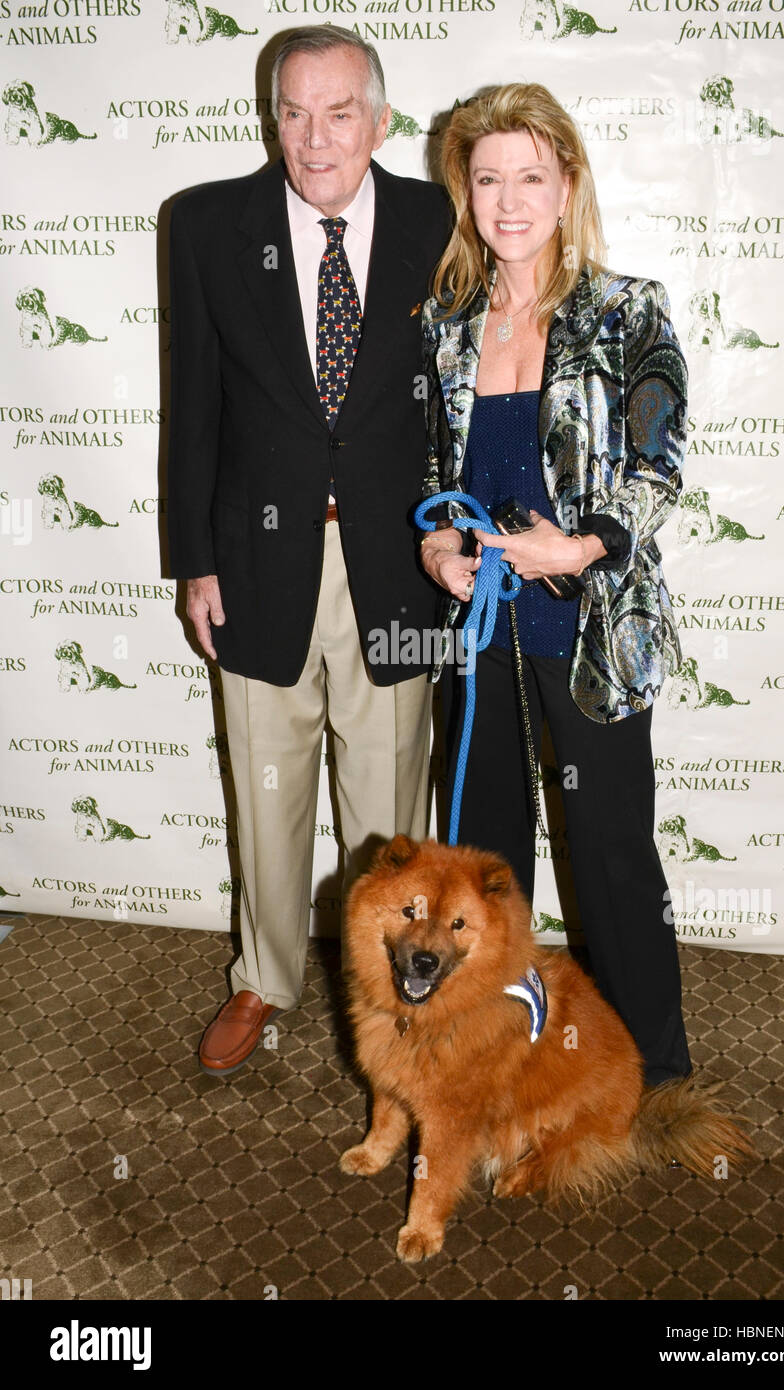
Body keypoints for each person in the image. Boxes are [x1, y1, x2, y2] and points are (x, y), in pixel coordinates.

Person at [167, 26, 451, 1075]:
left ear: (380, 120)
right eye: (294, 111)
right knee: (269, 791)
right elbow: (191, 404)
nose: (314, 136)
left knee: (388, 815)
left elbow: (461, 398)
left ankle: (398, 993)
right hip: (255, 564)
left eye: (339, 113)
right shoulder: (204, 224)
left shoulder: (440, 217)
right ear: (270, 116)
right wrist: (196, 559)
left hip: (402, 570)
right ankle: (263, 979)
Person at [418, 83, 692, 1087]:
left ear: (565, 182)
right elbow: (433, 486)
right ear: (466, 193)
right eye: (487, 178)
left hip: (590, 627)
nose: (508, 199)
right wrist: (439, 549)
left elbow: (657, 470)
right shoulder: (445, 326)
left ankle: (652, 1076)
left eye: (529, 175)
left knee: (613, 857)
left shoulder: (627, 312)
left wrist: (575, 549)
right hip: (482, 635)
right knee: (485, 864)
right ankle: (502, 1059)